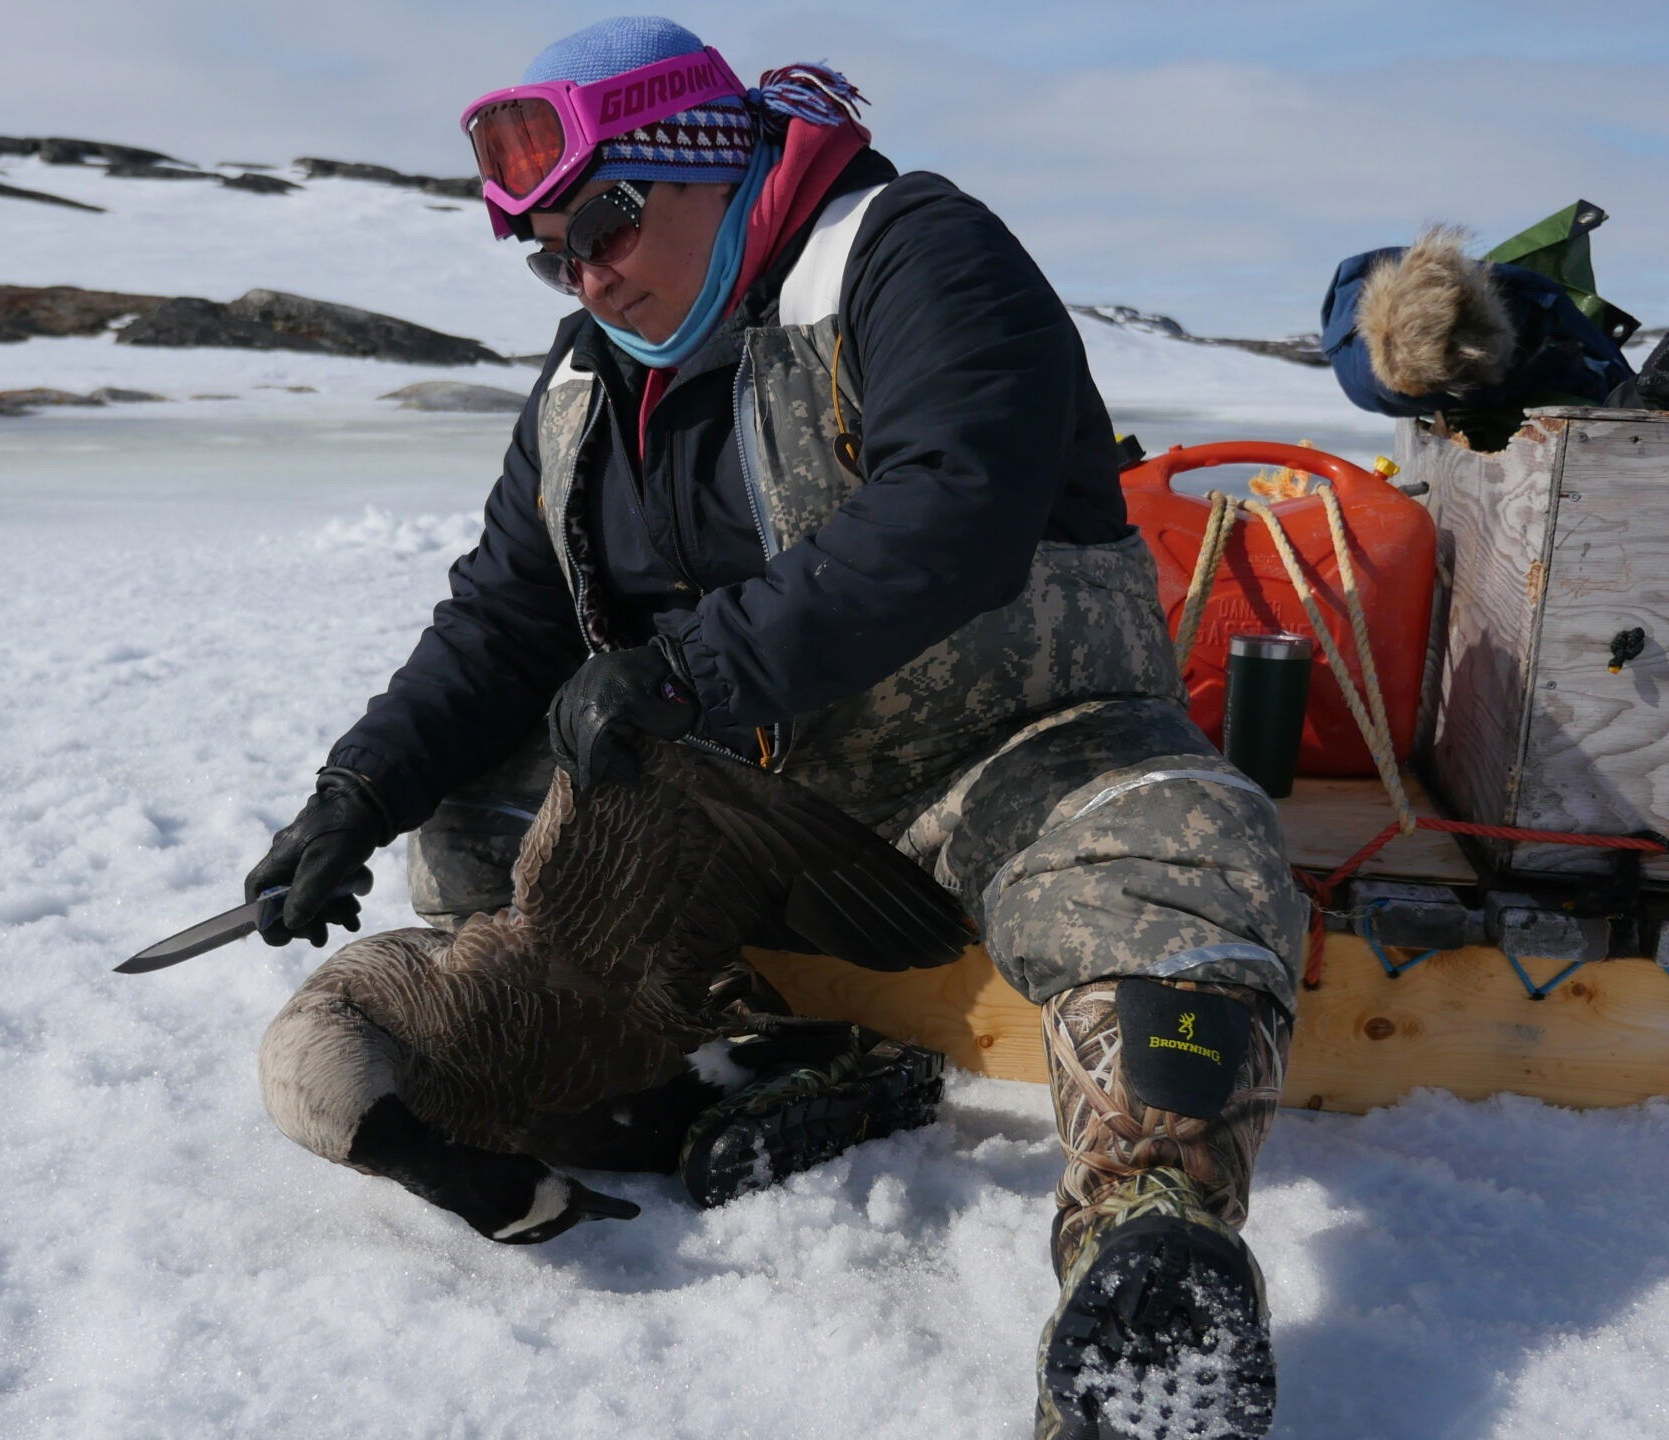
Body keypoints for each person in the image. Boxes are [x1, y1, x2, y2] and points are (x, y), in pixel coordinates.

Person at [245, 17, 1303, 1439]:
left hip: (1009, 737)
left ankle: (1152, 1248)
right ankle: (727, 1071)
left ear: (706, 155)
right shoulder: (583, 378)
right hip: (745, 796)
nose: (587, 270)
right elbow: (504, 619)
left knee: (1169, 852)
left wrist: (684, 672)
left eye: (604, 220)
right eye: (551, 253)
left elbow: (954, 513)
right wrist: (352, 790)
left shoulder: (914, 252)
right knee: (460, 858)